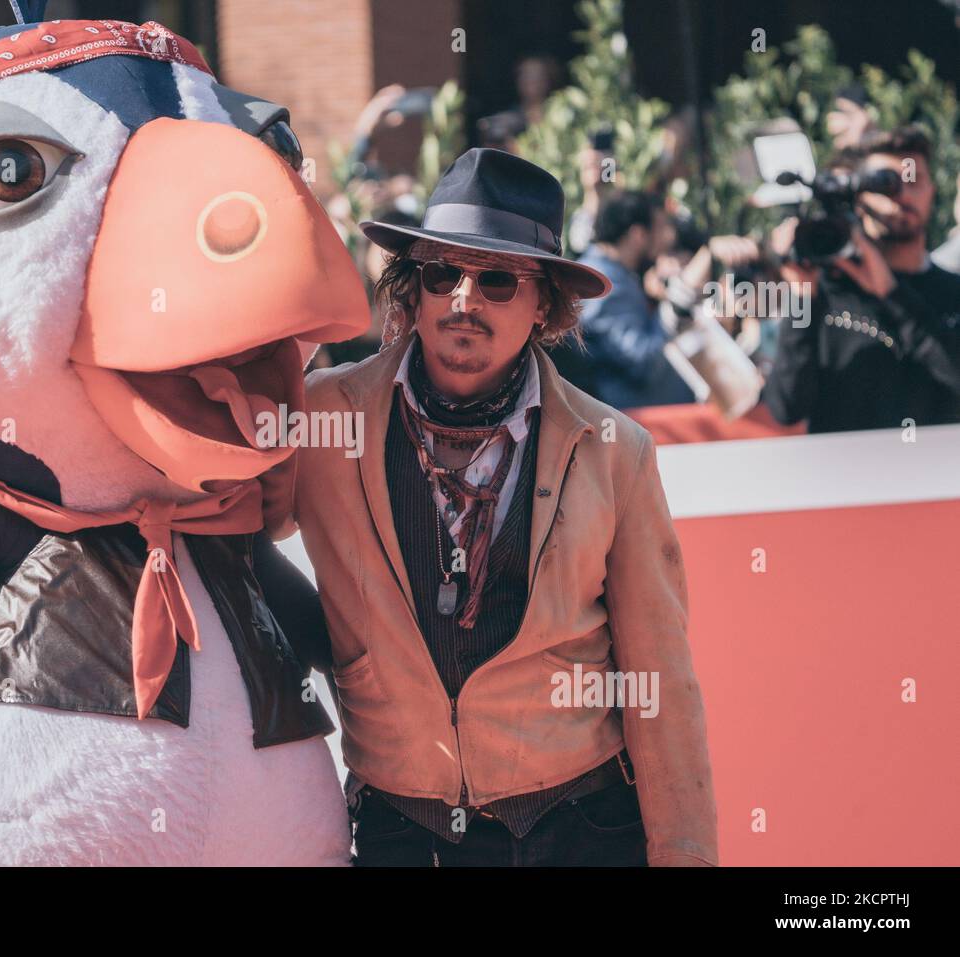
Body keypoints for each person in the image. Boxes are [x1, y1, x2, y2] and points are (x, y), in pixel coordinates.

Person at [294, 148, 719, 866]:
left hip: (581, 827)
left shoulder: (615, 452)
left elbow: (661, 685)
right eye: (441, 274)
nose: (464, 301)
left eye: (497, 280)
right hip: (404, 831)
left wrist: (686, 854)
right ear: (413, 288)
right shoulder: (321, 422)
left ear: (545, 304)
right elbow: (222, 524)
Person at [763, 125, 960, 433]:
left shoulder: (953, 292)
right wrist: (801, 298)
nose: (902, 195)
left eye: (914, 180)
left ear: (933, 190)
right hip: (841, 478)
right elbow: (787, 406)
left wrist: (892, 294)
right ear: (860, 198)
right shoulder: (823, 290)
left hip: (937, 478)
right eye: (886, 185)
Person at [566, 190, 697, 409]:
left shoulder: (614, 275)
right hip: (632, 421)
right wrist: (673, 307)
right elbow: (643, 363)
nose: (668, 238)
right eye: (661, 228)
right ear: (638, 235)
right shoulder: (605, 286)